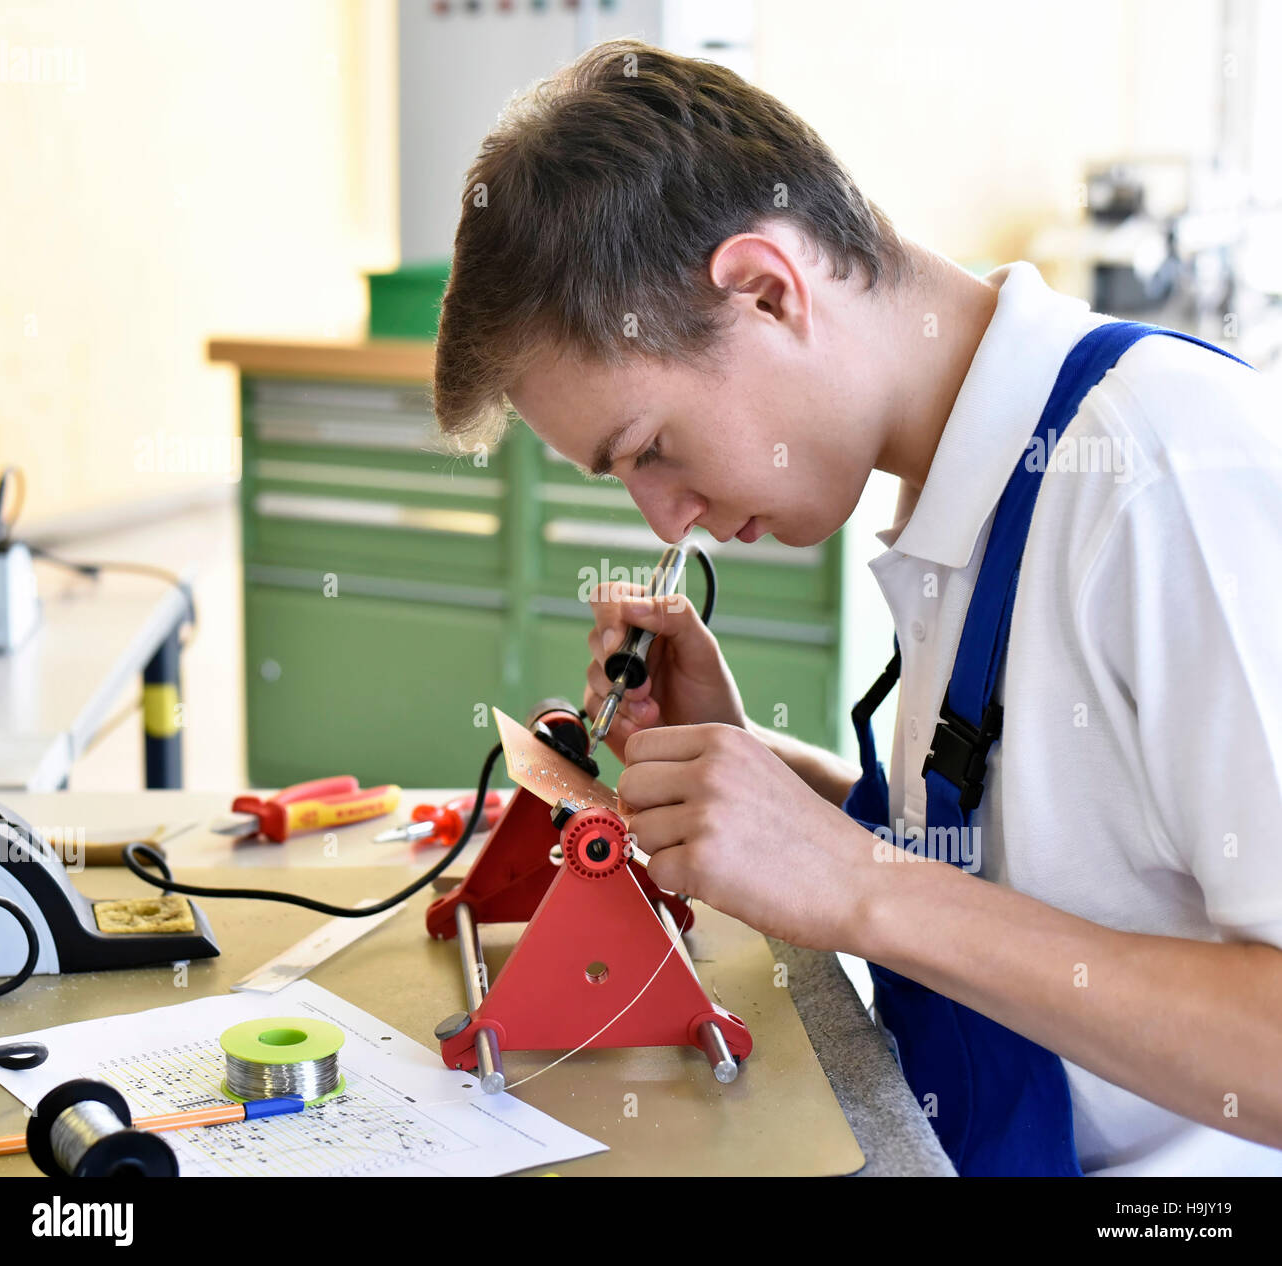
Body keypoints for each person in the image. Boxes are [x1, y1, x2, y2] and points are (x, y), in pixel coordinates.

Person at [432, 39, 1282, 1176]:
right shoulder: (966, 490)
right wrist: (753, 772)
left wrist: (854, 886)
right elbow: (1046, 872)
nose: (665, 523)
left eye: (651, 448)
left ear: (766, 290)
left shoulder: (1157, 473)